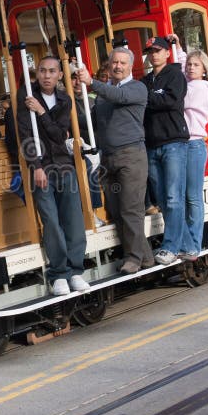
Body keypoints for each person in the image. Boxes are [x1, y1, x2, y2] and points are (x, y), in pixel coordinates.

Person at [17, 56, 89, 296]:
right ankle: (59, 273)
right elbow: (26, 134)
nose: (46, 75)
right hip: (42, 168)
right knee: (51, 221)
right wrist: (35, 166)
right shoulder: (25, 95)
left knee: (73, 219)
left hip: (64, 166)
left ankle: (75, 271)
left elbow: (59, 135)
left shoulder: (64, 99)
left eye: (52, 71)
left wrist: (41, 111)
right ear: (37, 73)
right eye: (42, 71)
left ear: (59, 75)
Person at [77, 48, 153, 274]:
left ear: (130, 66)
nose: (118, 66)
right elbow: (89, 122)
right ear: (109, 66)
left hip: (131, 157)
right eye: (114, 63)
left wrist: (91, 82)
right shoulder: (103, 95)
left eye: (122, 63)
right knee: (117, 211)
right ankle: (146, 258)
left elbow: (119, 97)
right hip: (108, 158)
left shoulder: (136, 88)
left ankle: (133, 258)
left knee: (131, 210)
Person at [142, 36, 190, 266]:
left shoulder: (175, 75)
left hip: (173, 142)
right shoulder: (144, 80)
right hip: (152, 145)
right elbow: (151, 102)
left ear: (168, 53)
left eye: (158, 50)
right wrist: (155, 98)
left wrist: (150, 98)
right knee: (162, 199)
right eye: (150, 51)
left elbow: (171, 101)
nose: (154, 54)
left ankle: (170, 246)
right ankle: (188, 245)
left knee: (173, 198)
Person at [180, 50, 208, 261]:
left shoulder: (201, 88)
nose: (190, 67)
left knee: (193, 197)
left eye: (196, 65)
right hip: (184, 145)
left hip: (194, 144)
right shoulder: (190, 85)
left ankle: (194, 244)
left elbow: (180, 99)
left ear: (204, 69)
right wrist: (179, 50)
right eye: (189, 64)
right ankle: (189, 242)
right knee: (185, 197)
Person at [70, 70, 103, 223]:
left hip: (99, 146)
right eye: (73, 78)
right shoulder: (66, 101)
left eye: (80, 78)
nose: (77, 82)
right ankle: (91, 214)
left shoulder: (93, 100)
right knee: (87, 165)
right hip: (80, 149)